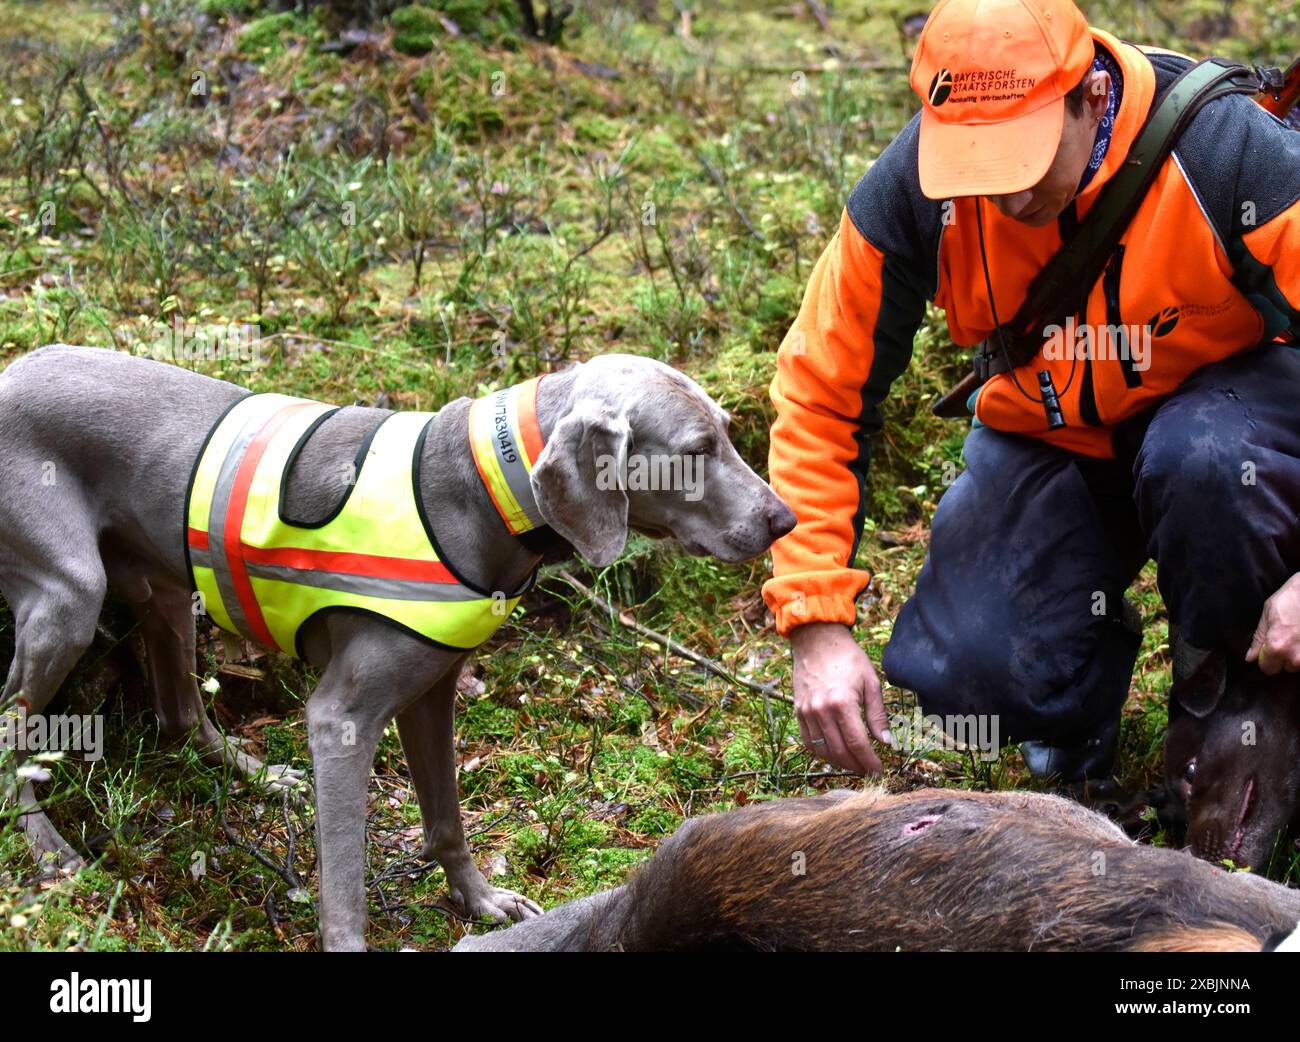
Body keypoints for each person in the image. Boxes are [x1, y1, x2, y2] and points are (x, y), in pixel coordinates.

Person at [763, 0, 1300, 781]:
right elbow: (820, 390)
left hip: (1230, 425)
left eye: (1021, 162)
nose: (1005, 199)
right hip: (1058, 437)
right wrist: (813, 622)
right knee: (966, 671)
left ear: (1090, 100)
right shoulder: (913, 191)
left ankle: (1242, 715)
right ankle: (1079, 701)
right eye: (974, 167)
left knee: (1204, 460)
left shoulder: (1229, 156)